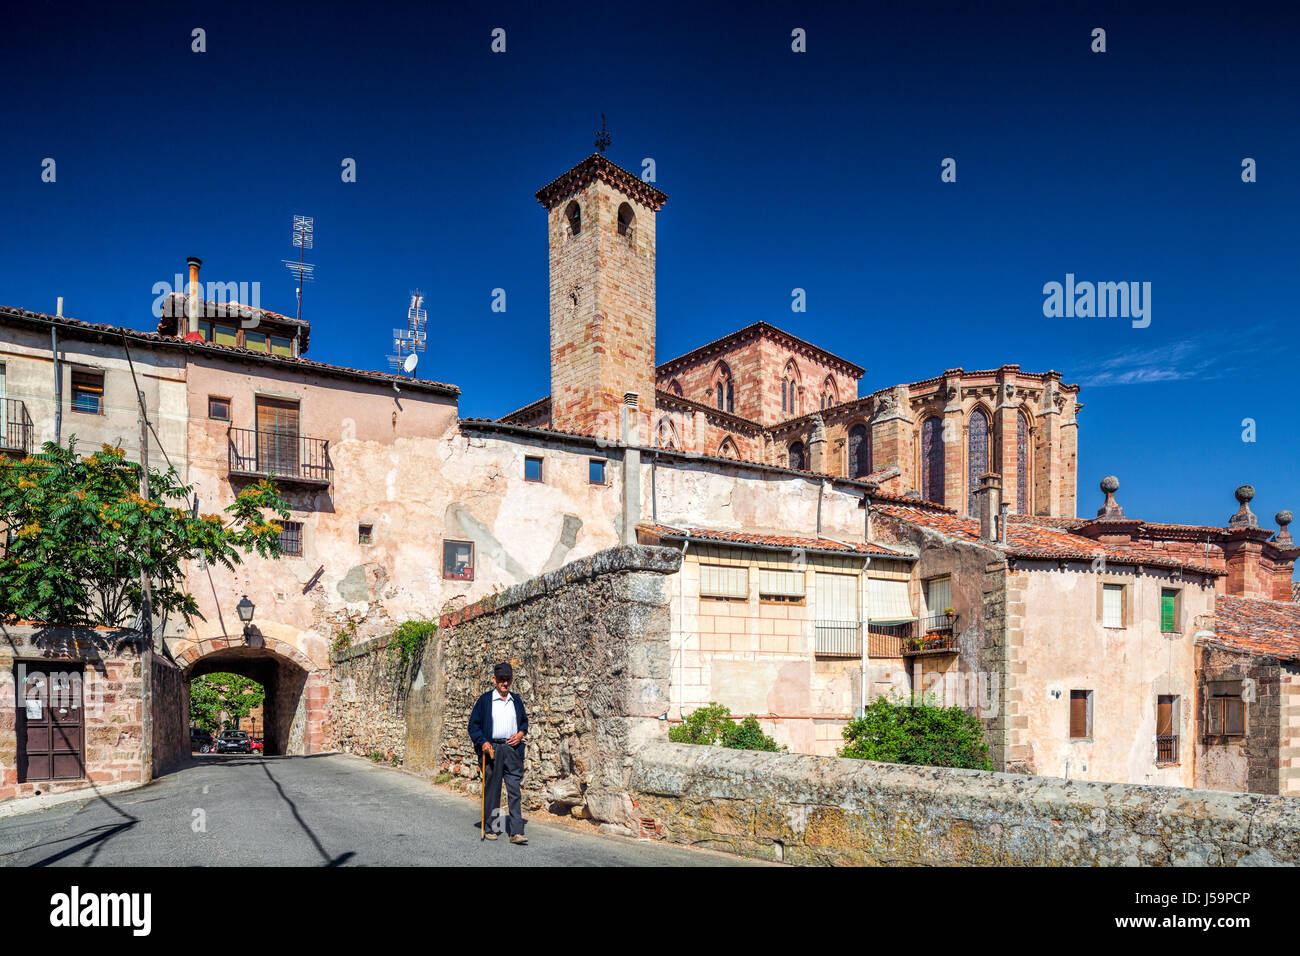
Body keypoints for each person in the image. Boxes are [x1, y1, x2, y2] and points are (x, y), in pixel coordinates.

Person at [468, 661, 529, 844]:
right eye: (501, 680)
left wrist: (520, 734)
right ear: (494, 679)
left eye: (508, 680)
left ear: (512, 680)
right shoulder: (485, 701)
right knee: (492, 791)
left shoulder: (516, 700)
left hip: (512, 750)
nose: (505, 683)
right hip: (492, 749)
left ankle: (516, 832)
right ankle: (490, 828)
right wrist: (483, 742)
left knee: (514, 791)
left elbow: (524, 722)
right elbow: (473, 726)